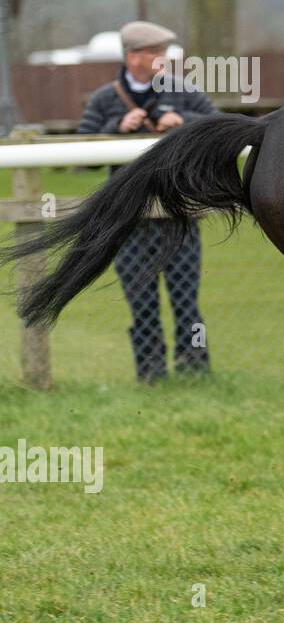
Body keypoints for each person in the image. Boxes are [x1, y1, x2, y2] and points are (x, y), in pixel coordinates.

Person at [78, 20, 217, 383]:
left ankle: (195, 369)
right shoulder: (104, 99)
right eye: (156, 53)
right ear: (133, 56)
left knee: (186, 300)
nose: (163, 59)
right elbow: (82, 155)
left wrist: (184, 120)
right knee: (141, 301)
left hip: (178, 215)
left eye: (164, 52)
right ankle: (150, 374)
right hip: (129, 221)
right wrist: (116, 127)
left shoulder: (184, 92)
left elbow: (219, 128)